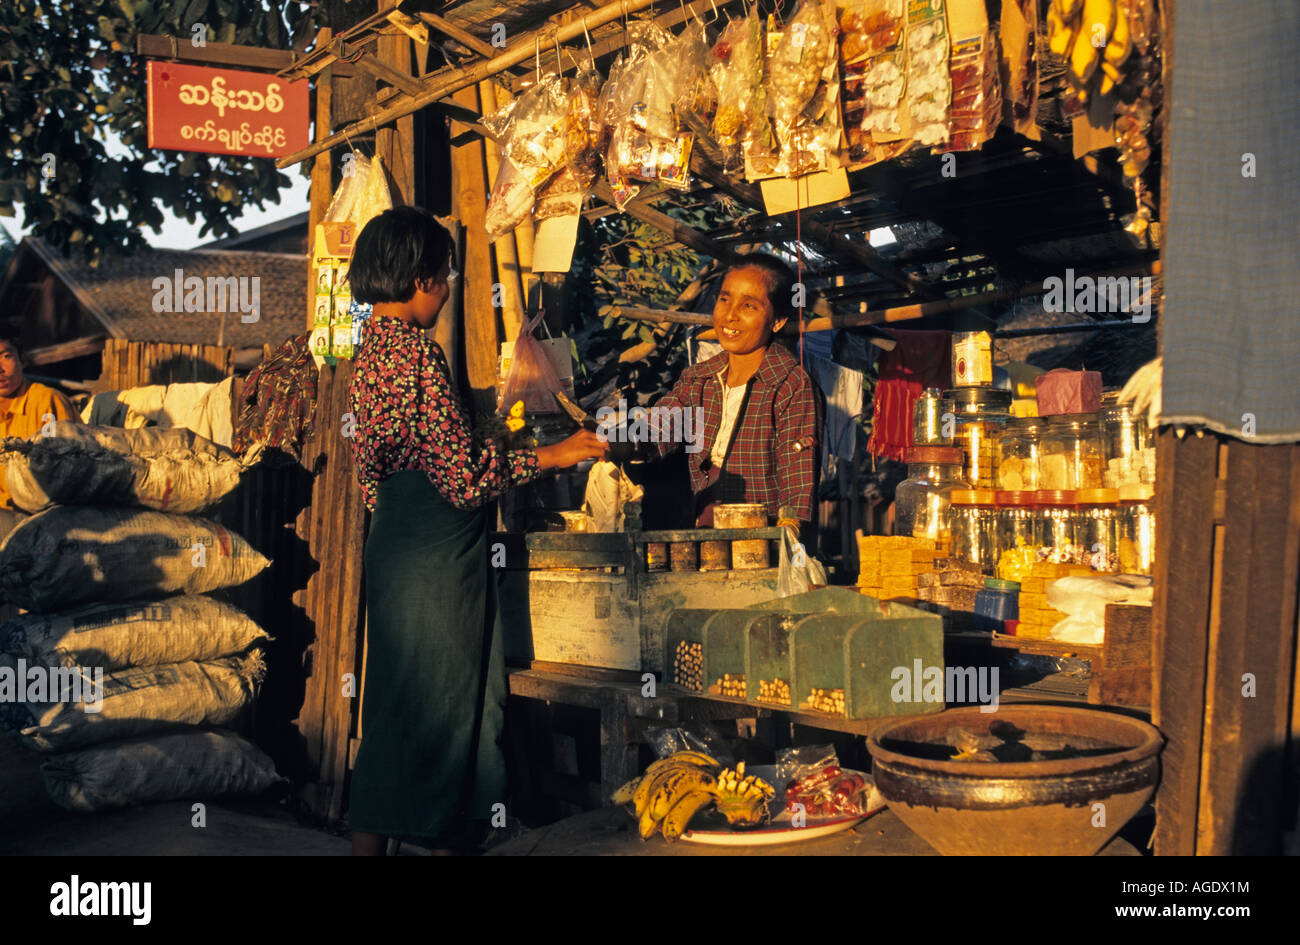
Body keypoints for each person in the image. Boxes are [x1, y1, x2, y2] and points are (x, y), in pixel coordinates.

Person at [345, 207, 606, 856]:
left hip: (396, 547)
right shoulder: (418, 355)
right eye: (444, 277)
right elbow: (462, 479)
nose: (447, 289)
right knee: (448, 704)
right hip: (439, 557)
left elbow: (372, 476)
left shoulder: (369, 351)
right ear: (422, 278)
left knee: (394, 707)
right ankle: (448, 837)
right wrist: (554, 454)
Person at [650, 253, 819, 531]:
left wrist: (788, 533)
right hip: (702, 521)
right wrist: (622, 439)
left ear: (776, 322)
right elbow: (662, 424)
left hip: (761, 532)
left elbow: (797, 472)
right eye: (724, 299)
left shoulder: (790, 383)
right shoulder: (698, 378)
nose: (730, 315)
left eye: (749, 306)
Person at [0, 335, 80, 509]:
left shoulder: (46, 403)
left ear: (22, 360)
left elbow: (63, 468)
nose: (0, 369)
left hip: (38, 512)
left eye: (5, 356)